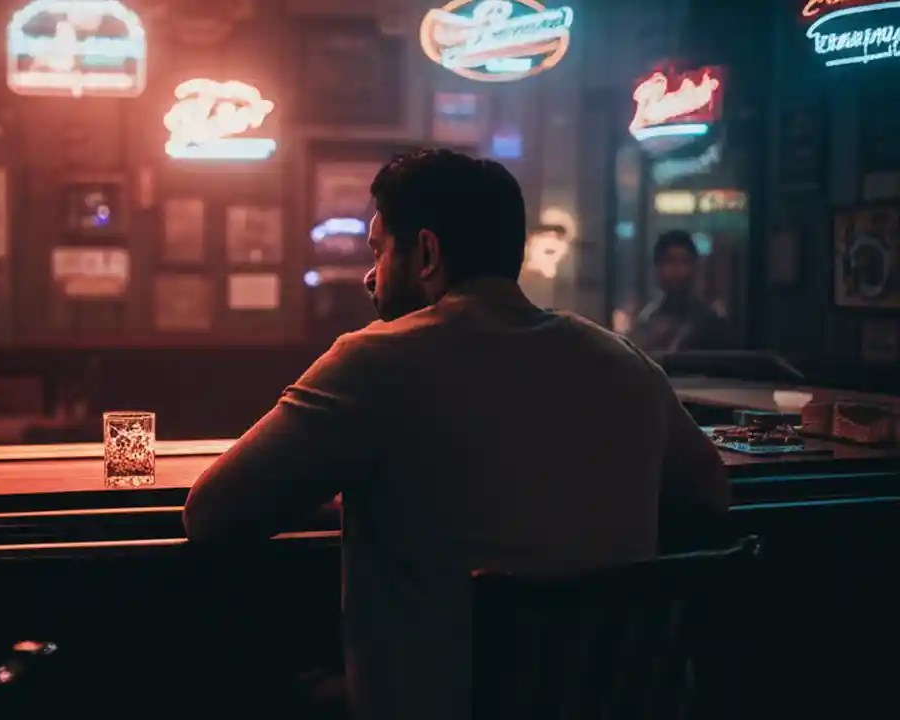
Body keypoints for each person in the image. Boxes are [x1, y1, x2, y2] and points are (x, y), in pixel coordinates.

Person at [182, 150, 729, 719]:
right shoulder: (624, 362)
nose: (369, 276)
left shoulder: (376, 360)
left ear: (426, 253)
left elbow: (212, 513)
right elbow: (712, 495)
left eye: (377, 251)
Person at [629, 230, 733, 353]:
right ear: (657, 269)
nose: (677, 271)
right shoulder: (647, 319)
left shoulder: (710, 321)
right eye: (670, 262)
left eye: (684, 262)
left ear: (694, 268)